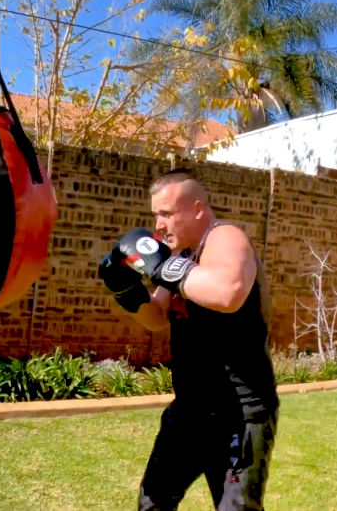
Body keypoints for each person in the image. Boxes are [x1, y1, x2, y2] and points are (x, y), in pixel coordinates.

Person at [97, 168, 279, 510]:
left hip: (239, 413)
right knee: (153, 501)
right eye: (155, 215)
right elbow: (155, 317)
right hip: (191, 411)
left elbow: (228, 293)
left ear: (197, 209)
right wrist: (125, 289)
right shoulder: (180, 258)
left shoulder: (226, 238)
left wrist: (162, 269)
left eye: (166, 213)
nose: (159, 224)